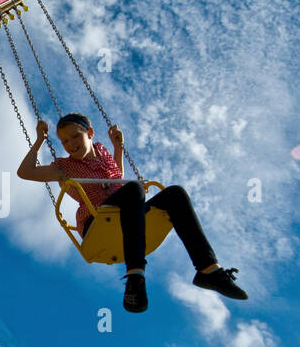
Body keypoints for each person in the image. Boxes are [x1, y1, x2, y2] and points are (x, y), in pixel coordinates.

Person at [17, 113, 248, 313]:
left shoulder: (102, 150)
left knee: (175, 194)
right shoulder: (63, 166)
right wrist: (39, 141)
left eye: (75, 136)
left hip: (125, 213)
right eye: (65, 141)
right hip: (97, 222)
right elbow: (25, 172)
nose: (70, 144)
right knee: (134, 188)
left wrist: (117, 148)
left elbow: (116, 180)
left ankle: (208, 270)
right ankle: (135, 277)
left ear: (90, 133)